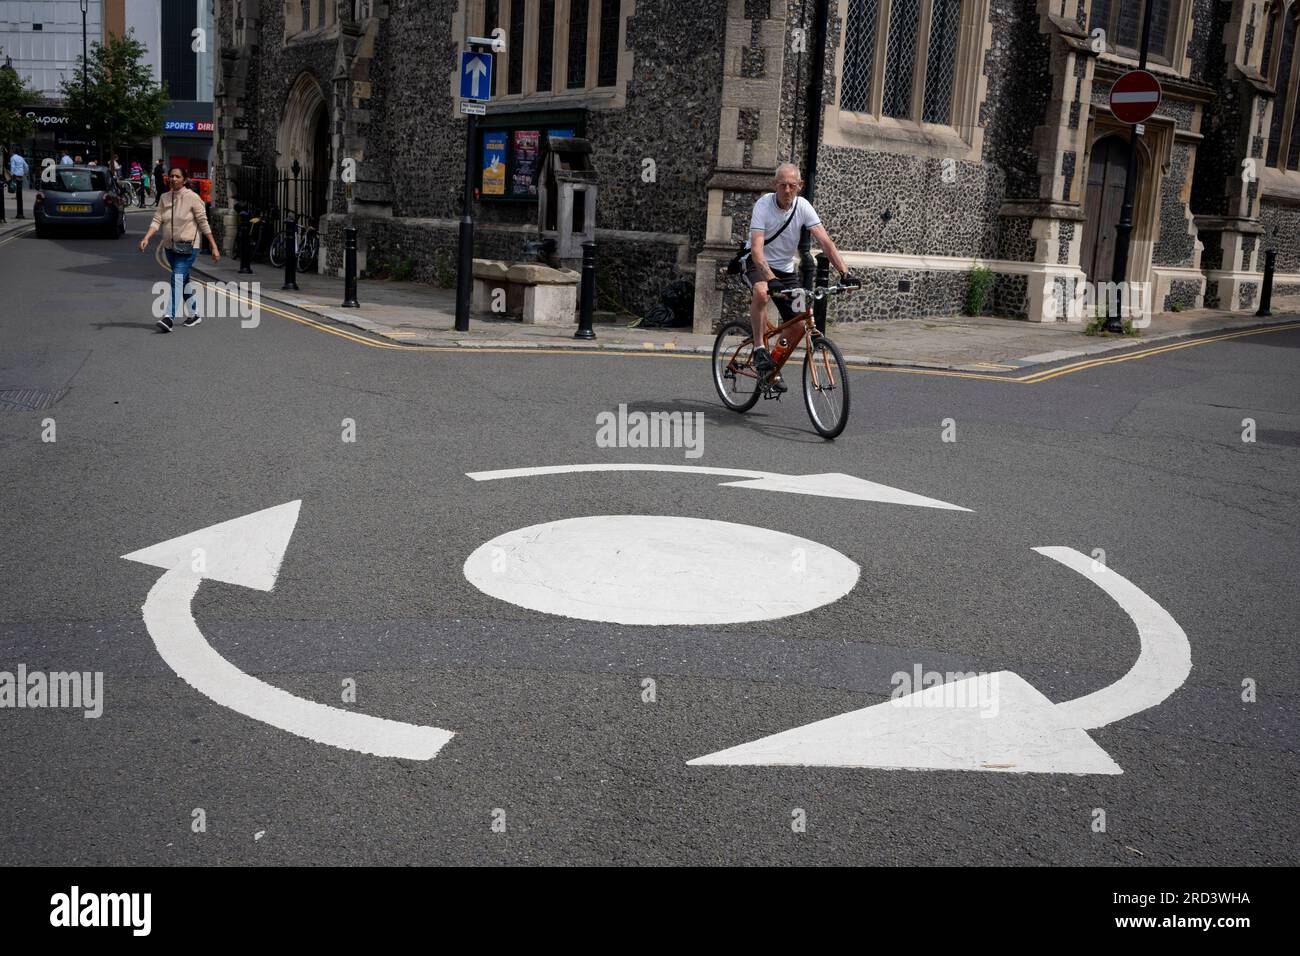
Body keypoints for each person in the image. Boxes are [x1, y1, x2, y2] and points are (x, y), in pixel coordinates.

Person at [742, 163, 859, 391]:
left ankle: (770, 369)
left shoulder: (803, 206)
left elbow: (825, 242)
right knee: (762, 292)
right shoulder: (763, 205)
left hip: (785, 271)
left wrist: (845, 273)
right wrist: (770, 277)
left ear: (800, 186)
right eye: (783, 185)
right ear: (774, 185)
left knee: (797, 326)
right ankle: (758, 350)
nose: (787, 190)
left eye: (792, 186)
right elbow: (756, 251)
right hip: (757, 263)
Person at [138, 167, 221, 332]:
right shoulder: (164, 197)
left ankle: (169, 316)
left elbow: (203, 223)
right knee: (183, 281)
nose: (173, 179)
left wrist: (213, 245)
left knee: (177, 278)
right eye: (171, 176)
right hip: (169, 247)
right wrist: (146, 237)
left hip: (188, 247)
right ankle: (195, 314)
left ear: (184, 179)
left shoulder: (193, 198)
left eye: (177, 176)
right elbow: (157, 219)